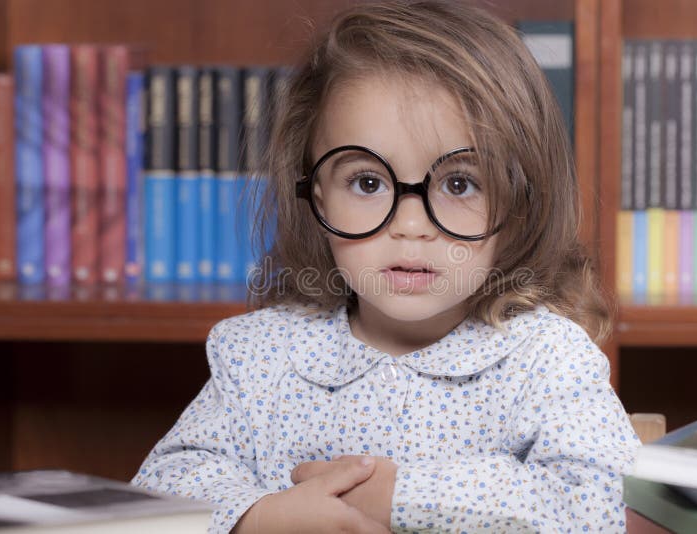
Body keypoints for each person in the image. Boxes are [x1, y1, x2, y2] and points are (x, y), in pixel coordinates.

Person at [132, 1, 640, 532]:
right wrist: (258, 516)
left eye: (460, 183)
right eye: (368, 183)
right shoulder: (263, 358)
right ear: (317, 195)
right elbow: (164, 487)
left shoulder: (545, 362)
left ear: (519, 204)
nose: (412, 225)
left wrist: (398, 496)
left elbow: (600, 505)